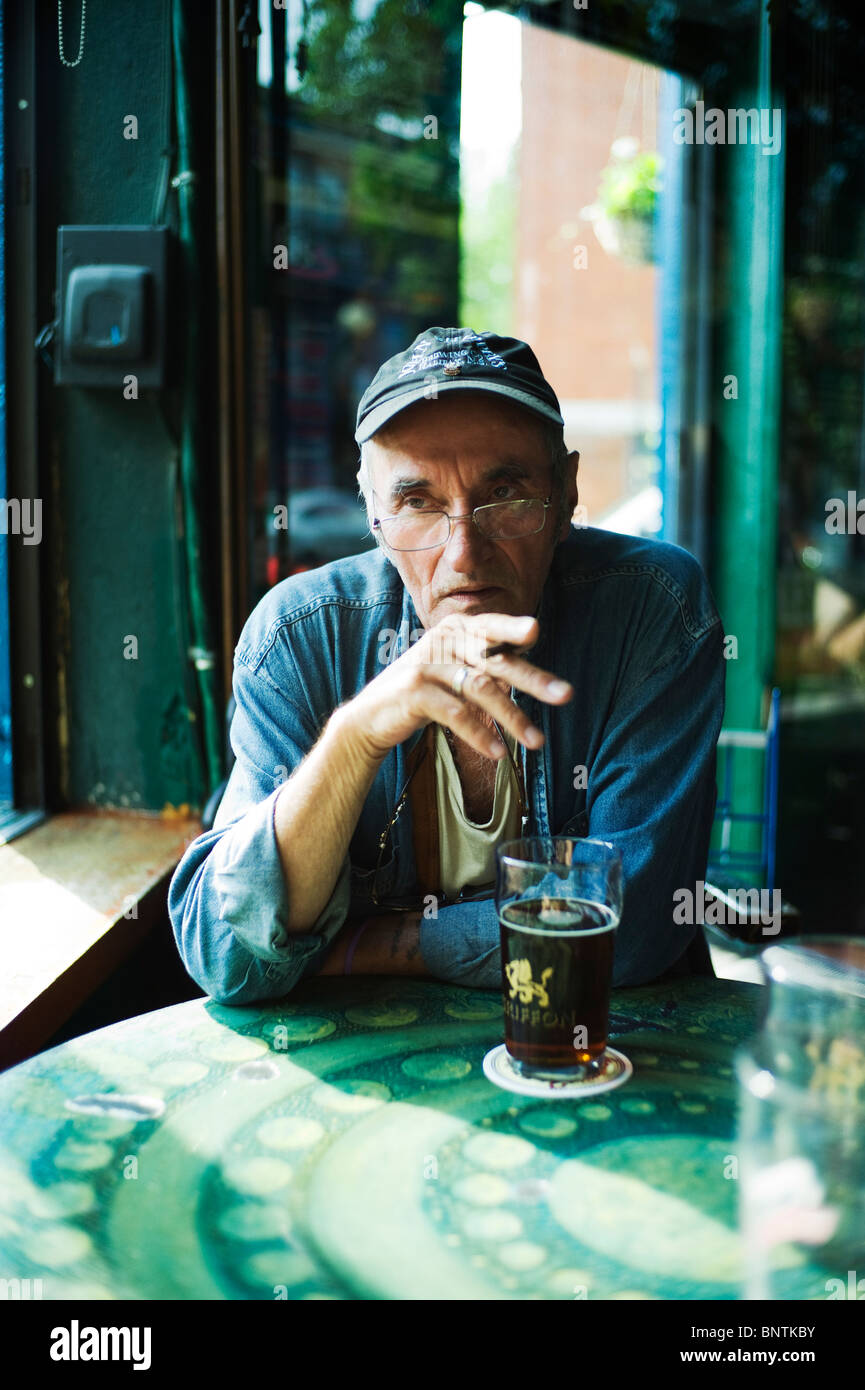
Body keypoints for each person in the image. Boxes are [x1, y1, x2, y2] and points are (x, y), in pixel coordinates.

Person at [168, 327, 725, 1005]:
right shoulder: (298, 637)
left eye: (506, 494)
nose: (463, 552)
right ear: (373, 512)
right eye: (417, 502)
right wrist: (357, 737)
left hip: (604, 1052)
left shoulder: (649, 608)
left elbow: (628, 927)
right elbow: (225, 951)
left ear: (566, 493)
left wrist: (362, 946)